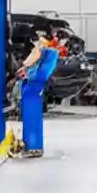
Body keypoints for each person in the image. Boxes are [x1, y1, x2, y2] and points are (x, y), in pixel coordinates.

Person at [14, 30, 59, 159]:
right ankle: (32, 145)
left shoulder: (44, 50)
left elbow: (33, 59)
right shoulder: (50, 51)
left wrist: (24, 66)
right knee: (30, 111)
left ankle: (33, 146)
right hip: (35, 81)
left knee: (31, 112)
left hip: (35, 82)